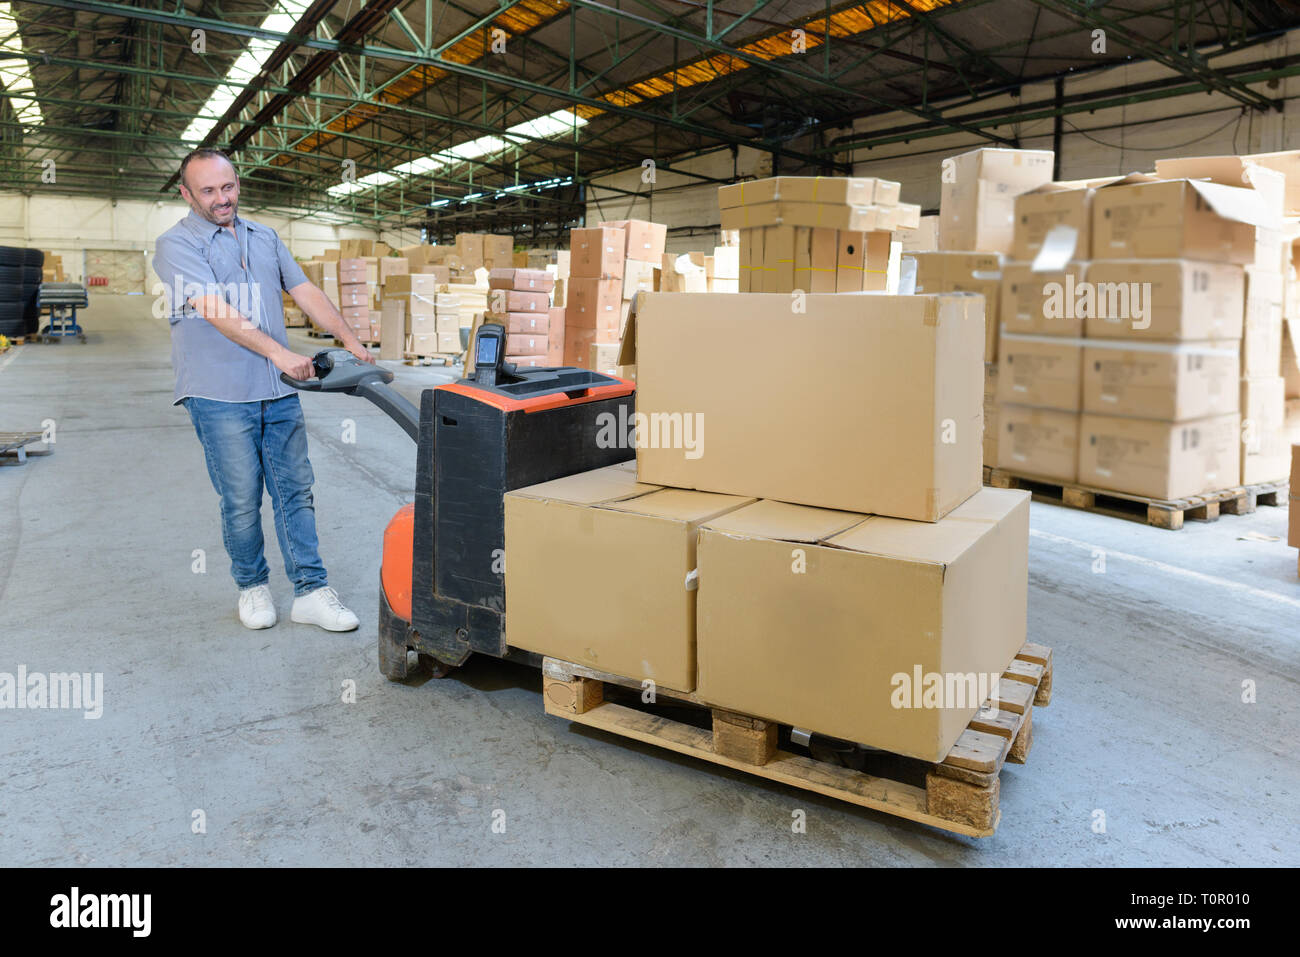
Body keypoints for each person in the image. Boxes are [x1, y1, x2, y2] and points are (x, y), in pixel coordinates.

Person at [153, 147, 372, 632]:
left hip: (278, 390)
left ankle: (311, 592)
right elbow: (213, 308)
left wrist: (350, 337)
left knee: (296, 492)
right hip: (218, 393)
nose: (221, 198)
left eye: (227, 186)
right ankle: (252, 588)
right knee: (240, 497)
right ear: (187, 194)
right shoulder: (175, 244)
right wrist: (280, 354)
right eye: (207, 190)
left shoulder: (265, 236)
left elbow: (304, 290)